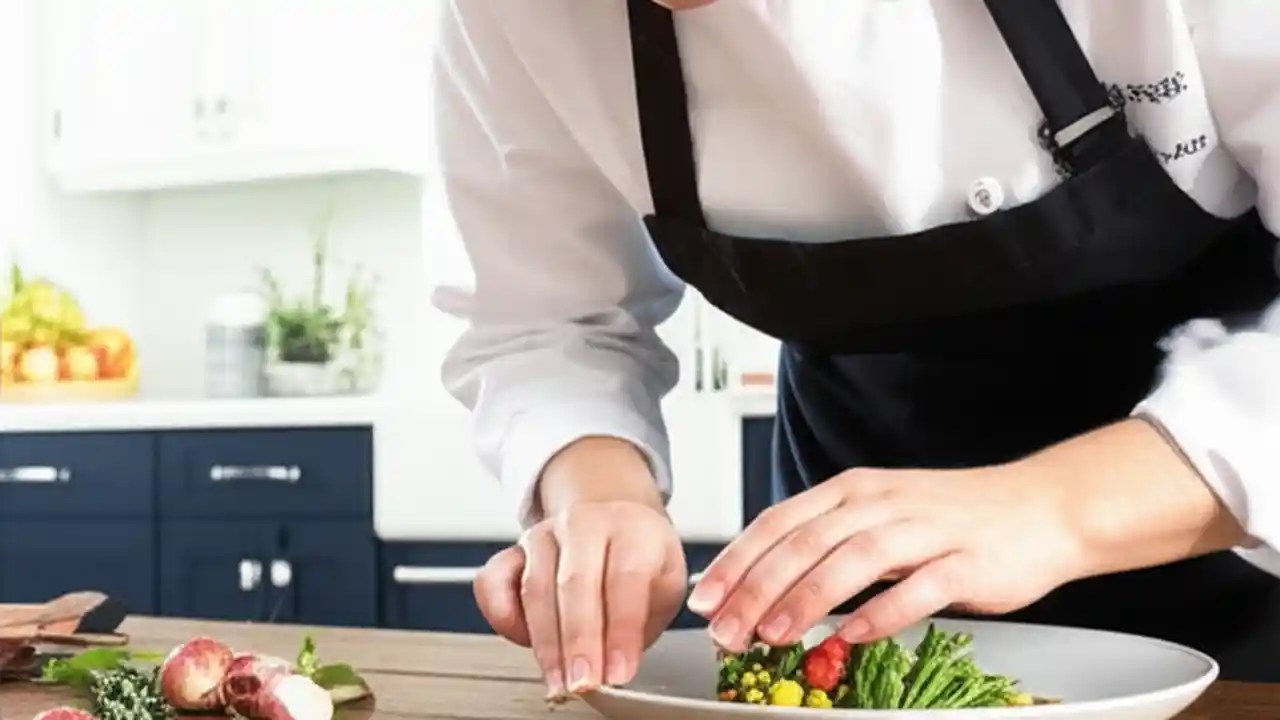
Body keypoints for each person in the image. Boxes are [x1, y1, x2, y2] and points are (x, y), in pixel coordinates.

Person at [430, 0, 1280, 697]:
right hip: (854, 593)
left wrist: (1051, 508)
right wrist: (599, 492)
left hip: (1236, 551)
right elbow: (545, 318)